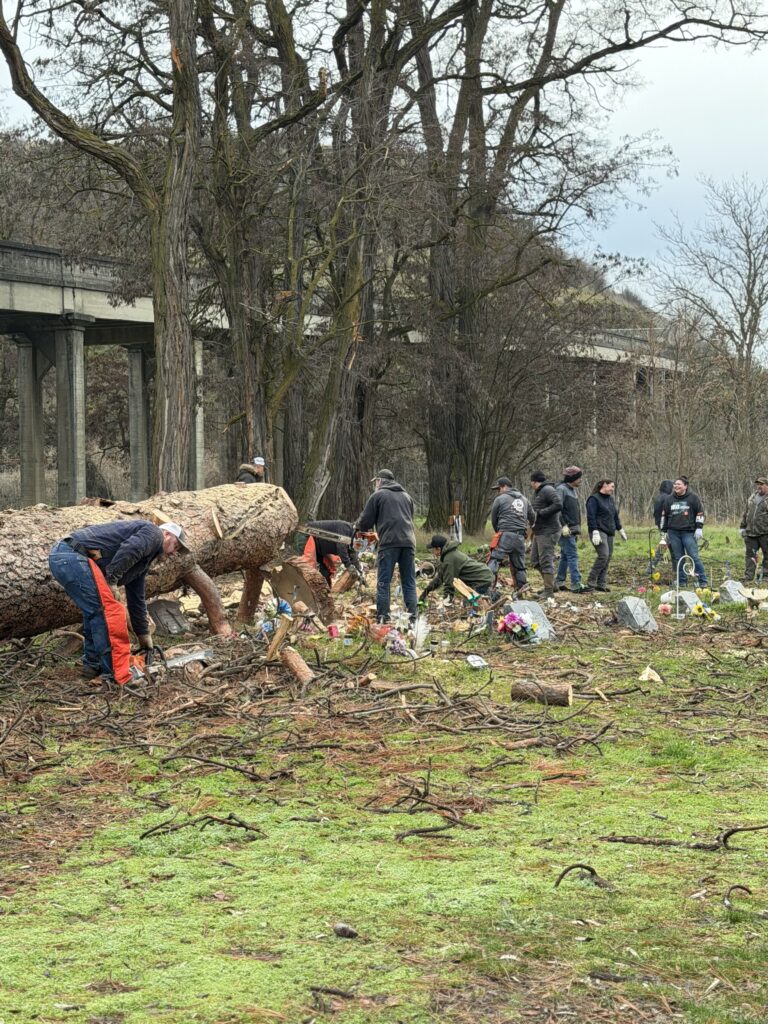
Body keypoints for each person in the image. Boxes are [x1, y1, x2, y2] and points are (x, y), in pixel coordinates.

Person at [48, 520, 190, 685]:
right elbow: (130, 549)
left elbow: (136, 598)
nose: (174, 552)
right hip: (72, 556)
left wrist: (144, 635)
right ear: (167, 534)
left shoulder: (143, 561)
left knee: (95, 611)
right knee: (108, 612)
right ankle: (115, 673)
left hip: (67, 556)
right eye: (176, 546)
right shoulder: (153, 534)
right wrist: (112, 580)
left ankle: (92, 666)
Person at [355, 469, 417, 623]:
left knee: (383, 582)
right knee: (409, 582)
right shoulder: (407, 496)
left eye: (376, 481)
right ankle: (413, 617)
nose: (375, 485)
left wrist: (356, 527)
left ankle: (383, 617)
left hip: (389, 543)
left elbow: (365, 521)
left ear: (380, 481)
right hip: (409, 542)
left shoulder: (378, 495)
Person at [487, 476, 535, 593]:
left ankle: (487, 587)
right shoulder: (525, 499)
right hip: (520, 537)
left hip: (505, 534)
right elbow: (533, 518)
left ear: (504, 487)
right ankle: (522, 590)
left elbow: (494, 519)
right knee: (519, 565)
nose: (498, 492)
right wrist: (526, 529)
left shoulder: (500, 499)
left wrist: (499, 531)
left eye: (499, 489)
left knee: (494, 560)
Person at [658, 476, 707, 587]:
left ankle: (702, 580)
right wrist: (663, 531)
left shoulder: (693, 498)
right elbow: (664, 516)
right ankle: (682, 581)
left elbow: (700, 512)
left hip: (688, 532)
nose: (676, 486)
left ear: (685, 486)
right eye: (675, 484)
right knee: (679, 558)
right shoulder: (669, 499)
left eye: (679, 484)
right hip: (673, 532)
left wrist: (699, 527)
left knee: (693, 556)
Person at [420, 535, 495, 601]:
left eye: (433, 549)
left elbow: (449, 583)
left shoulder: (449, 559)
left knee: (473, 604)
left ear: (438, 549)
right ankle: (493, 595)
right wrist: (426, 591)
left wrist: (447, 601)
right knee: (472, 600)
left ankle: (493, 597)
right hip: (483, 575)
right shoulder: (448, 555)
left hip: (481, 579)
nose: (432, 552)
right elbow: (440, 577)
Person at [583, 479, 626, 592]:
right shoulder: (594, 499)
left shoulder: (610, 499)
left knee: (608, 558)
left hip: (610, 532)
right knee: (603, 555)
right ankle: (591, 581)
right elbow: (591, 516)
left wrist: (620, 529)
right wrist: (594, 531)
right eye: (611, 486)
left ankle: (601, 583)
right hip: (598, 531)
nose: (613, 489)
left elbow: (615, 516)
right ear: (604, 485)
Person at [529, 470, 563, 598]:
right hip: (539, 531)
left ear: (534, 482)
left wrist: (542, 512)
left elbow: (558, 504)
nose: (531, 485)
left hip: (548, 531)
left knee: (545, 561)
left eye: (531, 482)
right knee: (535, 560)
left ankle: (548, 592)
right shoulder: (539, 492)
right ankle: (552, 585)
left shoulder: (548, 489)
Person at [302, 520, 362, 585]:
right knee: (305, 569)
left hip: (319, 548)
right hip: (308, 536)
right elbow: (341, 547)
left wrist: (359, 573)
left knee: (325, 574)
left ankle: (323, 591)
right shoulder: (345, 528)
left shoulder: (353, 539)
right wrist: (348, 565)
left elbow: (353, 555)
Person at [554, 466, 585, 593]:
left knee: (565, 556)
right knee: (572, 555)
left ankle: (559, 582)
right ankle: (576, 583)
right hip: (566, 529)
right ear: (572, 478)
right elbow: (557, 508)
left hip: (573, 528)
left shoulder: (572, 490)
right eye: (578, 478)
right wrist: (563, 525)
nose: (580, 480)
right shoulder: (561, 489)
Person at [740, 476, 768, 582]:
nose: (759, 486)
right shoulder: (752, 497)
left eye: (761, 484)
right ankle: (748, 576)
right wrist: (742, 527)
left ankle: (766, 576)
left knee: (767, 555)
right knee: (750, 556)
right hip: (751, 533)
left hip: (765, 533)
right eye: (758, 484)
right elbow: (746, 513)